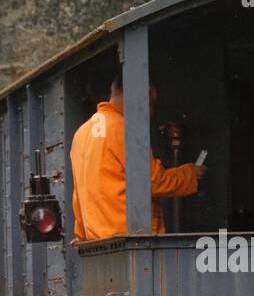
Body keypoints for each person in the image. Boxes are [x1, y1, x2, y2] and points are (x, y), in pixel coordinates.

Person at [70, 70, 207, 241]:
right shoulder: (124, 129)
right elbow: (154, 182)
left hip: (97, 244)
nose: (151, 112)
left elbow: (78, 194)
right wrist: (190, 174)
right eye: (150, 104)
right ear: (140, 96)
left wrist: (82, 237)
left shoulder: (82, 133)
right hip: (129, 241)